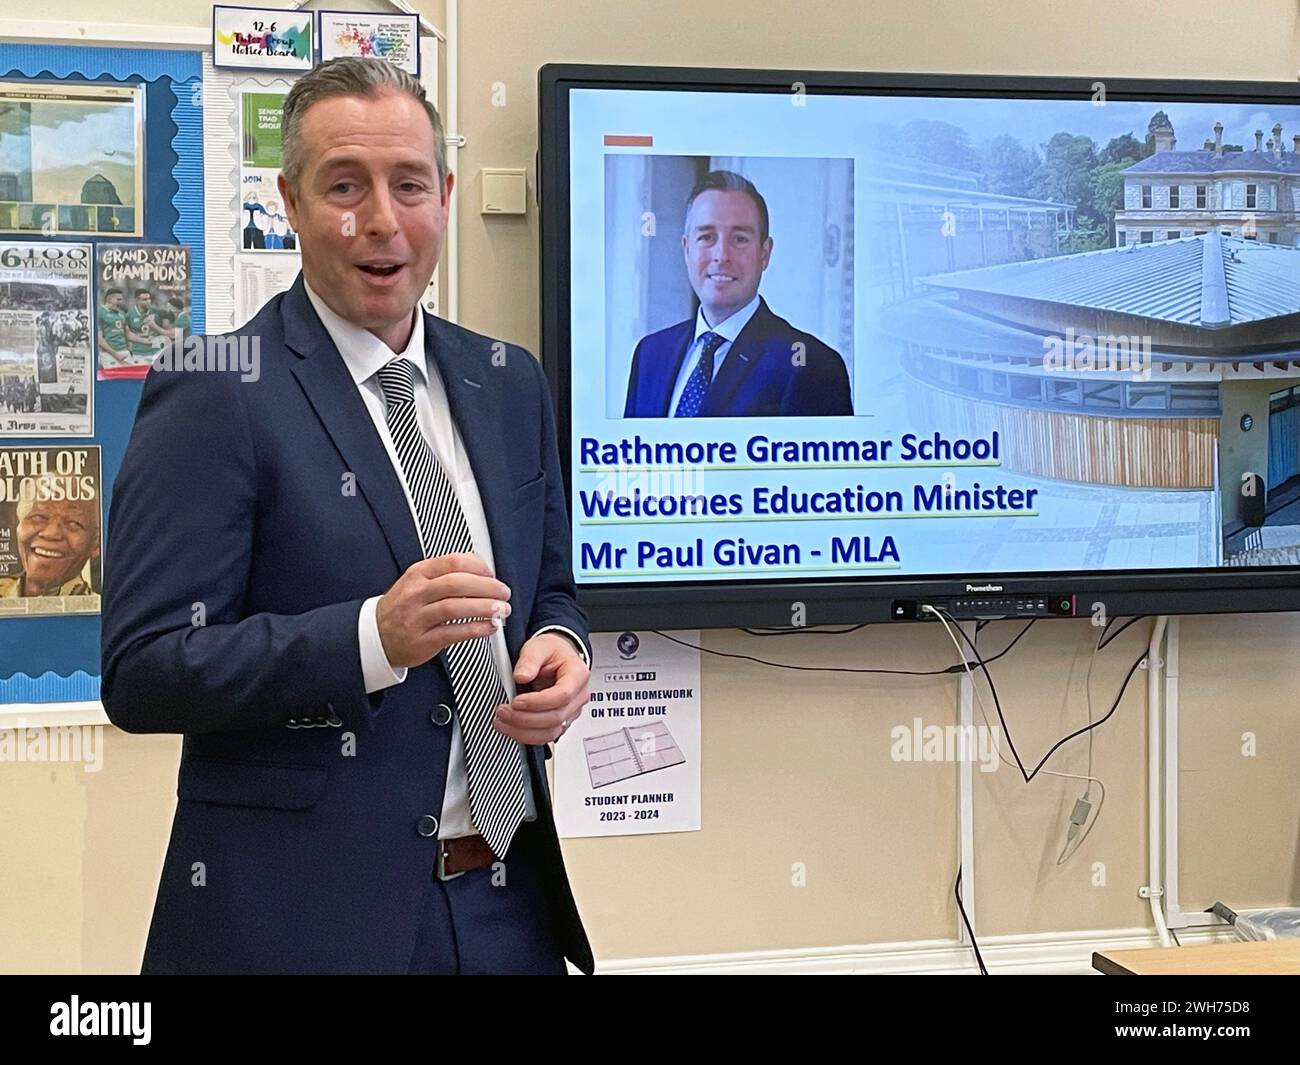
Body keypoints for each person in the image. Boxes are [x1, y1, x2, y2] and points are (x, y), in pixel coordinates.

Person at [101, 57, 594, 975]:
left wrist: (566, 646)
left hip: (508, 907)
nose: (380, 220)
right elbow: (142, 671)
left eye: (408, 185)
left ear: (443, 195)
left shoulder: (507, 381)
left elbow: (552, 587)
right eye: (343, 185)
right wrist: (371, 638)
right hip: (306, 925)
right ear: (289, 202)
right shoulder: (217, 391)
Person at [623, 169, 852, 418]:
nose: (721, 256)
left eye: (740, 239)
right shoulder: (649, 354)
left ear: (764, 253)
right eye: (707, 237)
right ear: (686, 249)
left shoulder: (814, 366)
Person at [0, 493, 99, 598]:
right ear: (18, 527)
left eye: (73, 523)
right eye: (38, 517)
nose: (50, 533)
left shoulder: (104, 610)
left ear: (96, 544)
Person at [97, 287, 131, 366]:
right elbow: (99, 339)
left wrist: (147, 340)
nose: (121, 302)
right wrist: (115, 354)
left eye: (121, 299)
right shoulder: (100, 312)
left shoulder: (121, 313)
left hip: (125, 352)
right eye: (118, 300)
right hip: (109, 354)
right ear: (109, 299)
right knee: (115, 378)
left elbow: (128, 334)